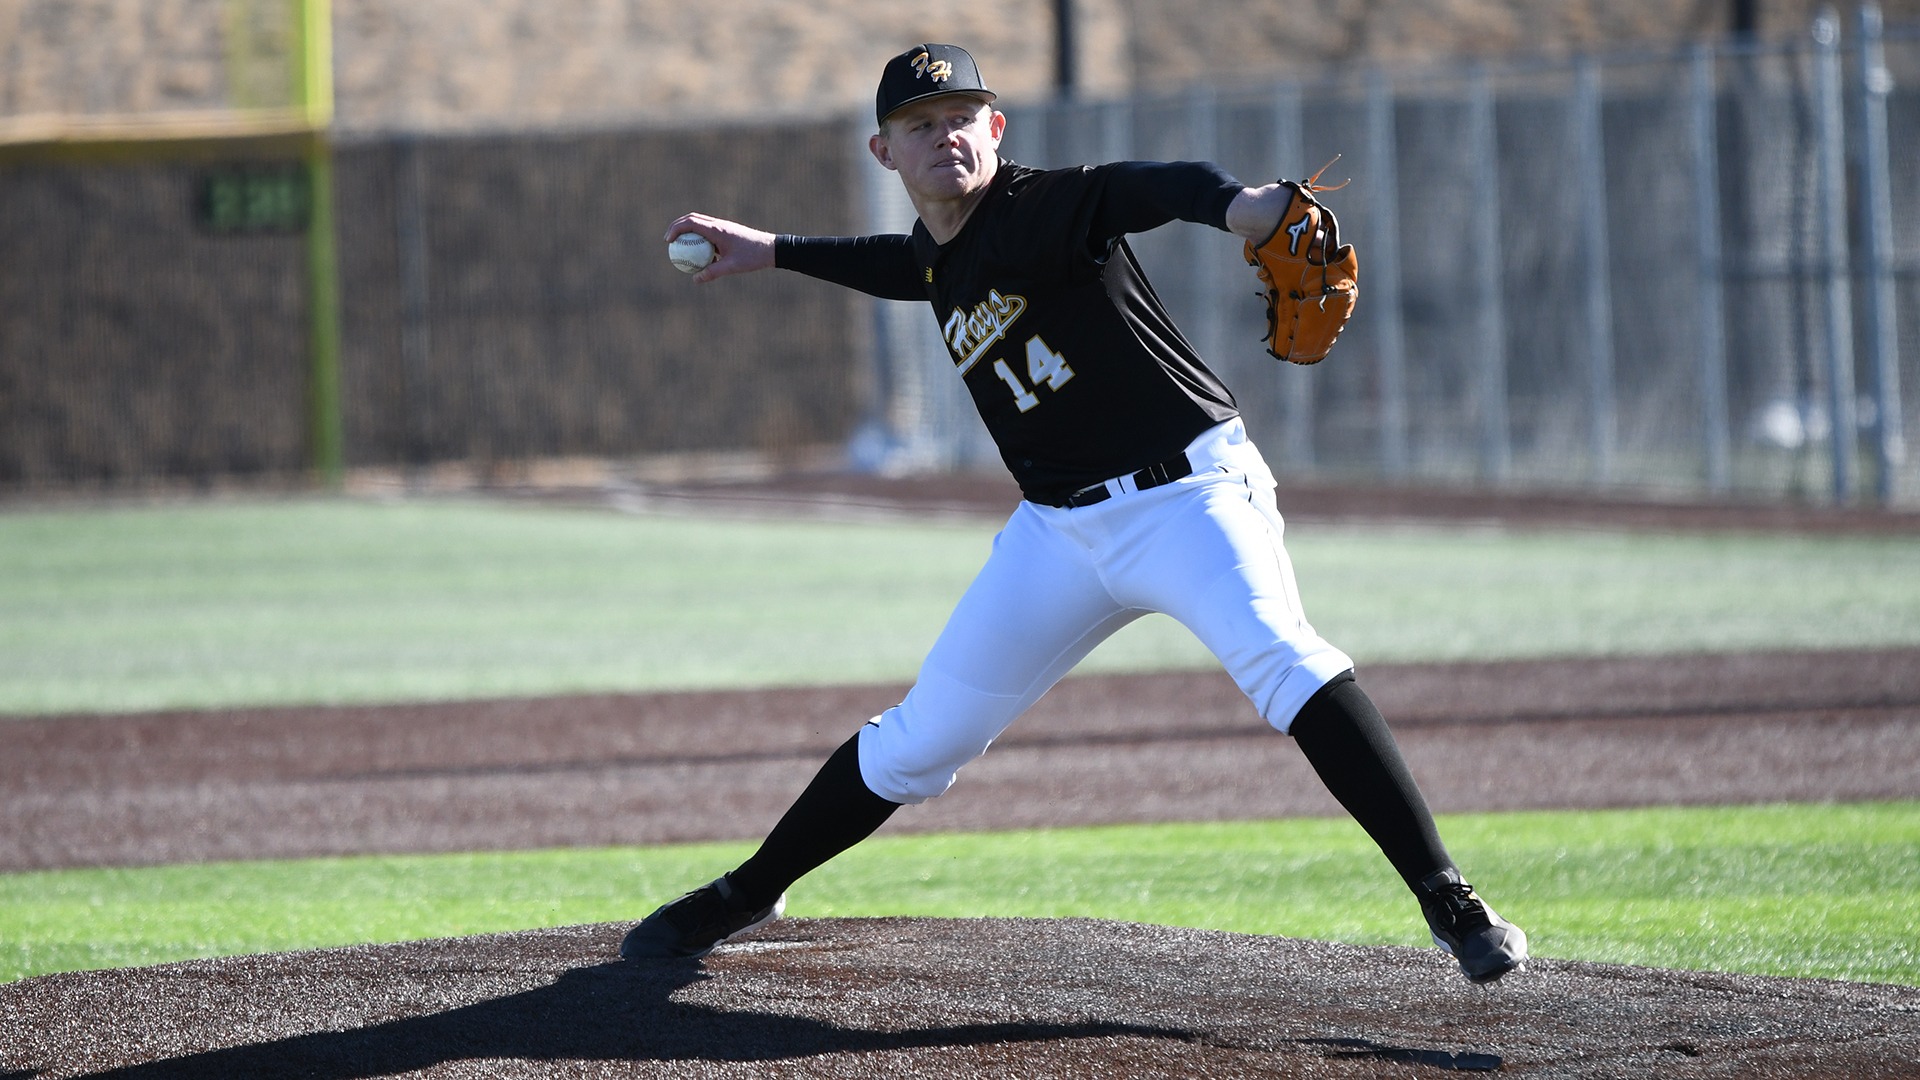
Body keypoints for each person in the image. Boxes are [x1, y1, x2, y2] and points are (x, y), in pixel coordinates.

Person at [622, 43, 1528, 984]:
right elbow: (907, 265)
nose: (946, 136)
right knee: (922, 738)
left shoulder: (1042, 206)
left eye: (962, 117)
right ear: (884, 152)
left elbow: (1147, 186)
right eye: (920, 125)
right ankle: (749, 889)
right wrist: (775, 251)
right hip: (1057, 533)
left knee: (1283, 659)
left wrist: (1243, 206)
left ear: (995, 128)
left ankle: (1448, 897)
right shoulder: (939, 255)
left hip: (1188, 499)